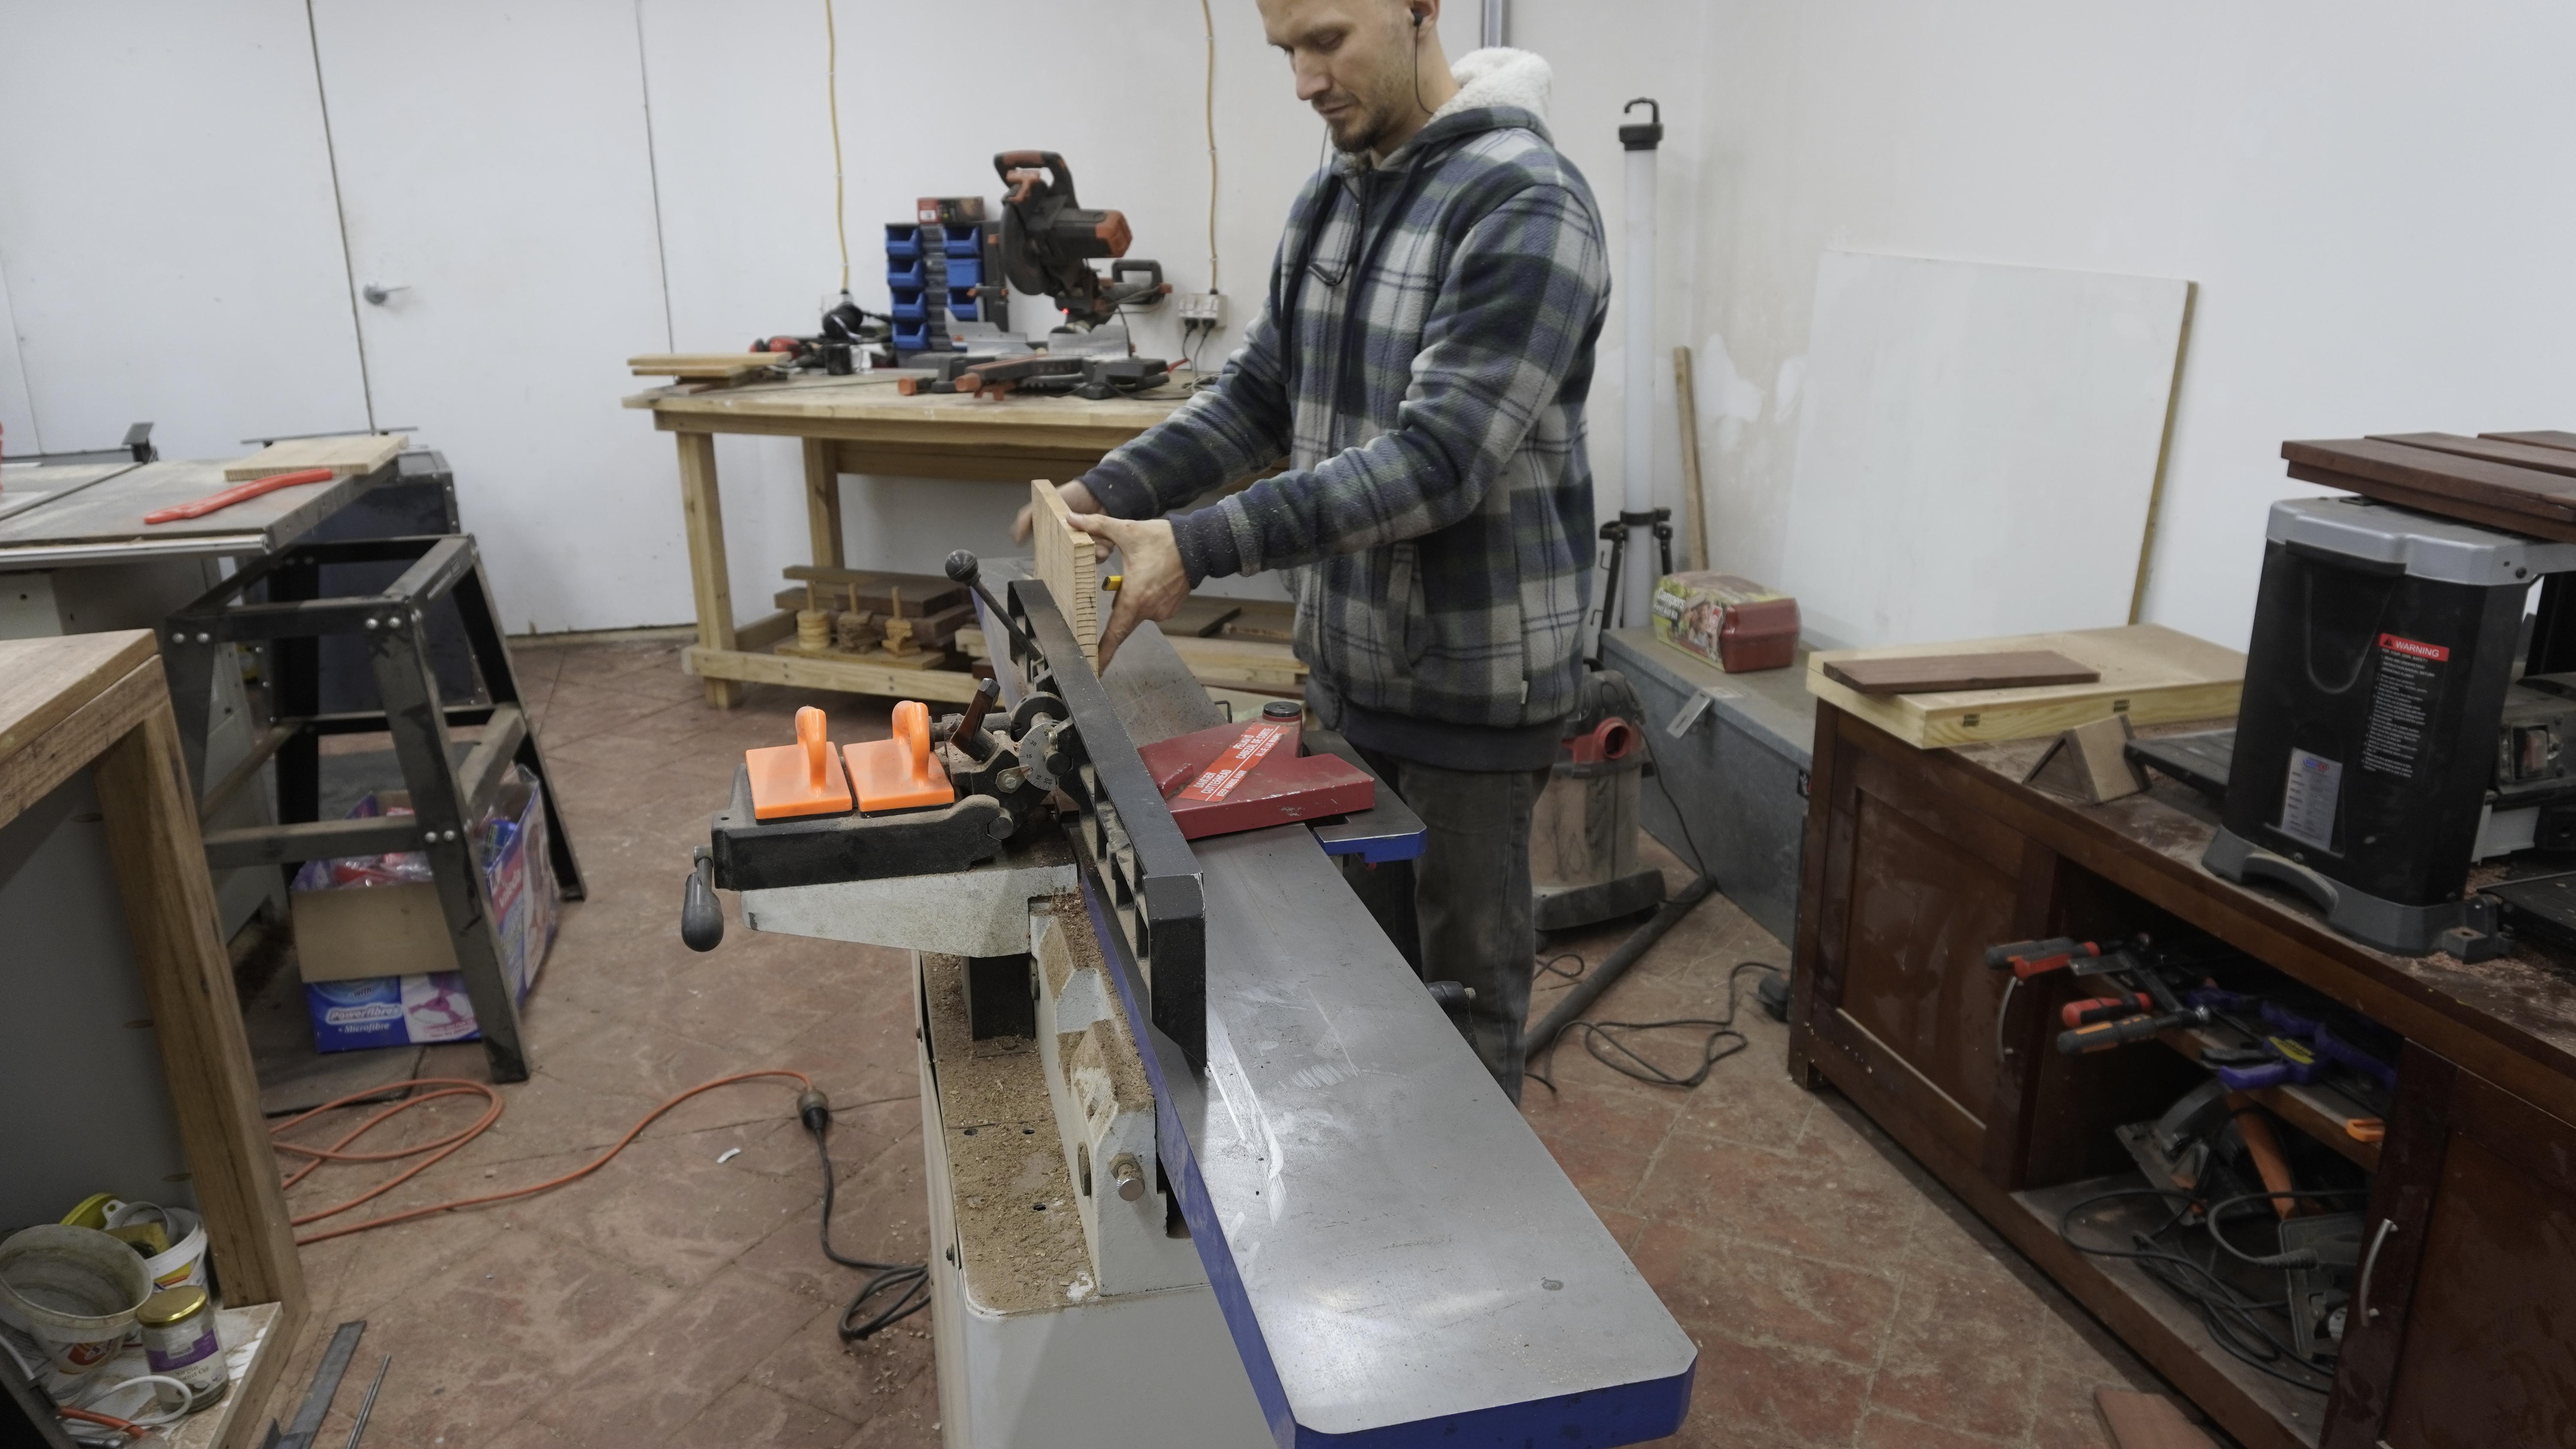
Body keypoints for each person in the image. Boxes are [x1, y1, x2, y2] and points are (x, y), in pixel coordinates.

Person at [1012, 0, 1609, 1101]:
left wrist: (1194, 543)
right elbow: (1258, 397)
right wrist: (1112, 489)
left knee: (1464, 1022)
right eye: (1287, 50)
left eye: (1328, 39)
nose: (1304, 79)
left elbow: (1438, 460)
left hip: (1473, 701)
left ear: (1422, 9)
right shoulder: (1335, 195)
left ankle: (1478, 1247)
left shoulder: (1527, 204)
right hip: (1347, 674)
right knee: (1367, 996)